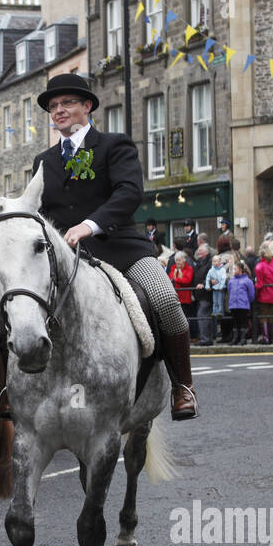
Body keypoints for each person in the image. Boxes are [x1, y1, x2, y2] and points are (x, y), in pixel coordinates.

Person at [30, 72, 197, 418]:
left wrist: (88, 226)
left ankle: (183, 386)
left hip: (120, 248)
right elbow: (39, 211)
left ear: (87, 106)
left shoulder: (114, 146)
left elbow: (129, 193)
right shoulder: (43, 162)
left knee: (165, 299)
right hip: (67, 257)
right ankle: (12, 390)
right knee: (20, 303)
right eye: (54, 106)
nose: (59, 110)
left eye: (68, 103)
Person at [254, 244, 273, 344]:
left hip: (265, 295)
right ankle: (272, 338)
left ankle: (266, 338)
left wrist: (255, 289)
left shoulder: (259, 266)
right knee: (272, 316)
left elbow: (260, 284)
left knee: (264, 316)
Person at [226, 260, 254, 345]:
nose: (233, 271)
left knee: (243, 322)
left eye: (235, 269)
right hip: (233, 305)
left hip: (243, 305)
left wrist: (246, 301)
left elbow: (251, 294)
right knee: (235, 322)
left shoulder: (247, 281)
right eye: (233, 269)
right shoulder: (231, 281)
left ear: (241, 269)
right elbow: (229, 291)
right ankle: (235, 338)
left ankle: (243, 338)